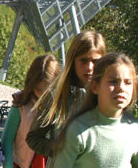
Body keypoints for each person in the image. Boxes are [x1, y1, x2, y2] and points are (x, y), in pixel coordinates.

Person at [26, 30, 106, 158]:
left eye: (95, 61)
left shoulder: (108, 96)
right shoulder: (57, 95)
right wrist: (61, 150)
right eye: (83, 61)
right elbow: (33, 138)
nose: (90, 67)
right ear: (73, 62)